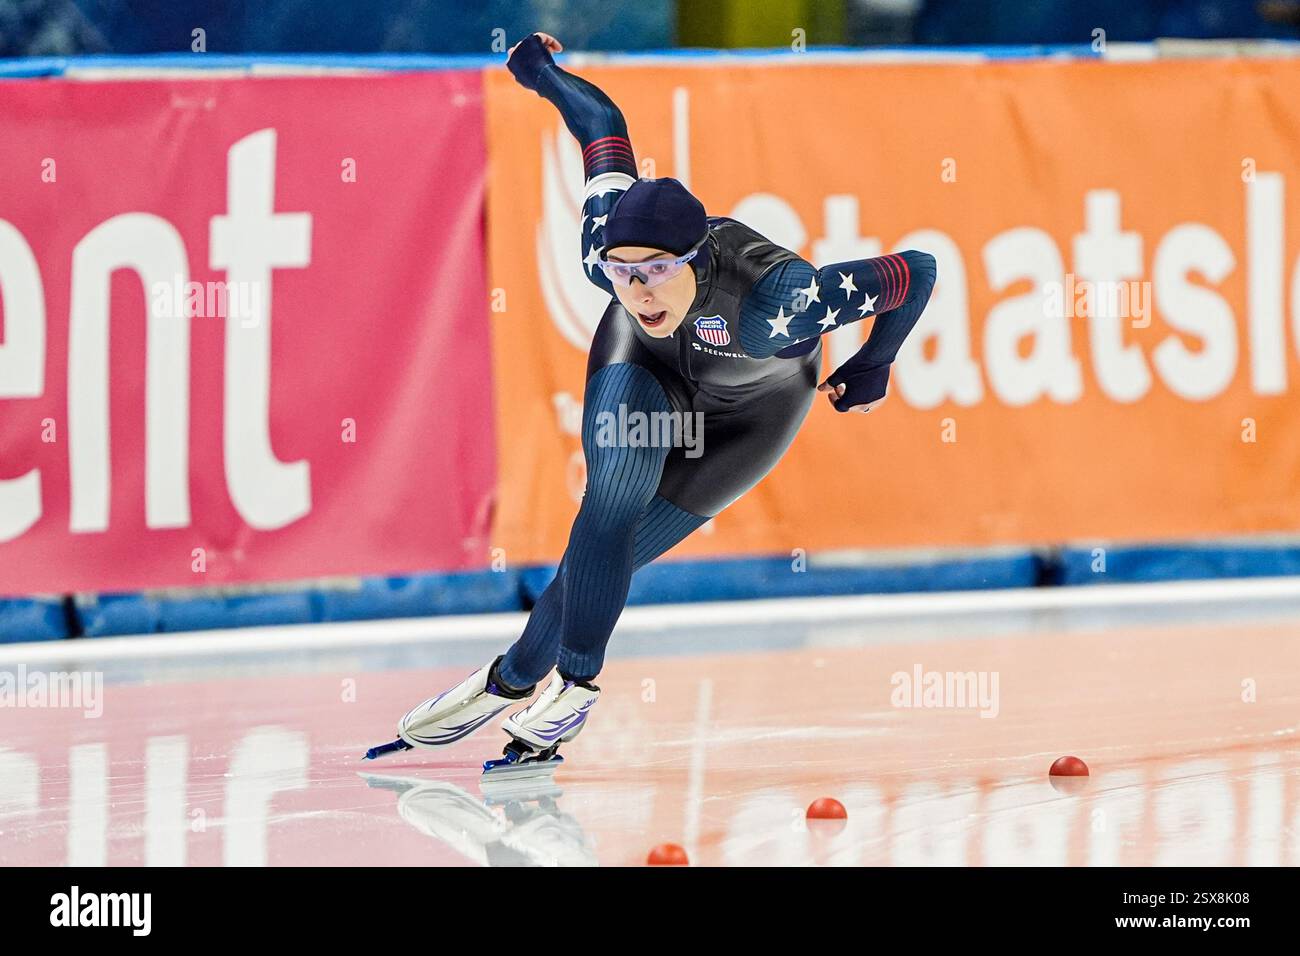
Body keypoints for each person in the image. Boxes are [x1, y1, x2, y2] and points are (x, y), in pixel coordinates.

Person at [367, 32, 937, 772]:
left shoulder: (779, 303)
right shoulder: (609, 255)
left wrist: (875, 363)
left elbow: (916, 269)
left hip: (753, 413)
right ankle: (573, 687)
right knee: (610, 501)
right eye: (623, 273)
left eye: (659, 272)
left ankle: (512, 676)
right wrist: (538, 71)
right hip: (648, 370)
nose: (639, 291)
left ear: (697, 261)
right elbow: (602, 126)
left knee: (606, 561)